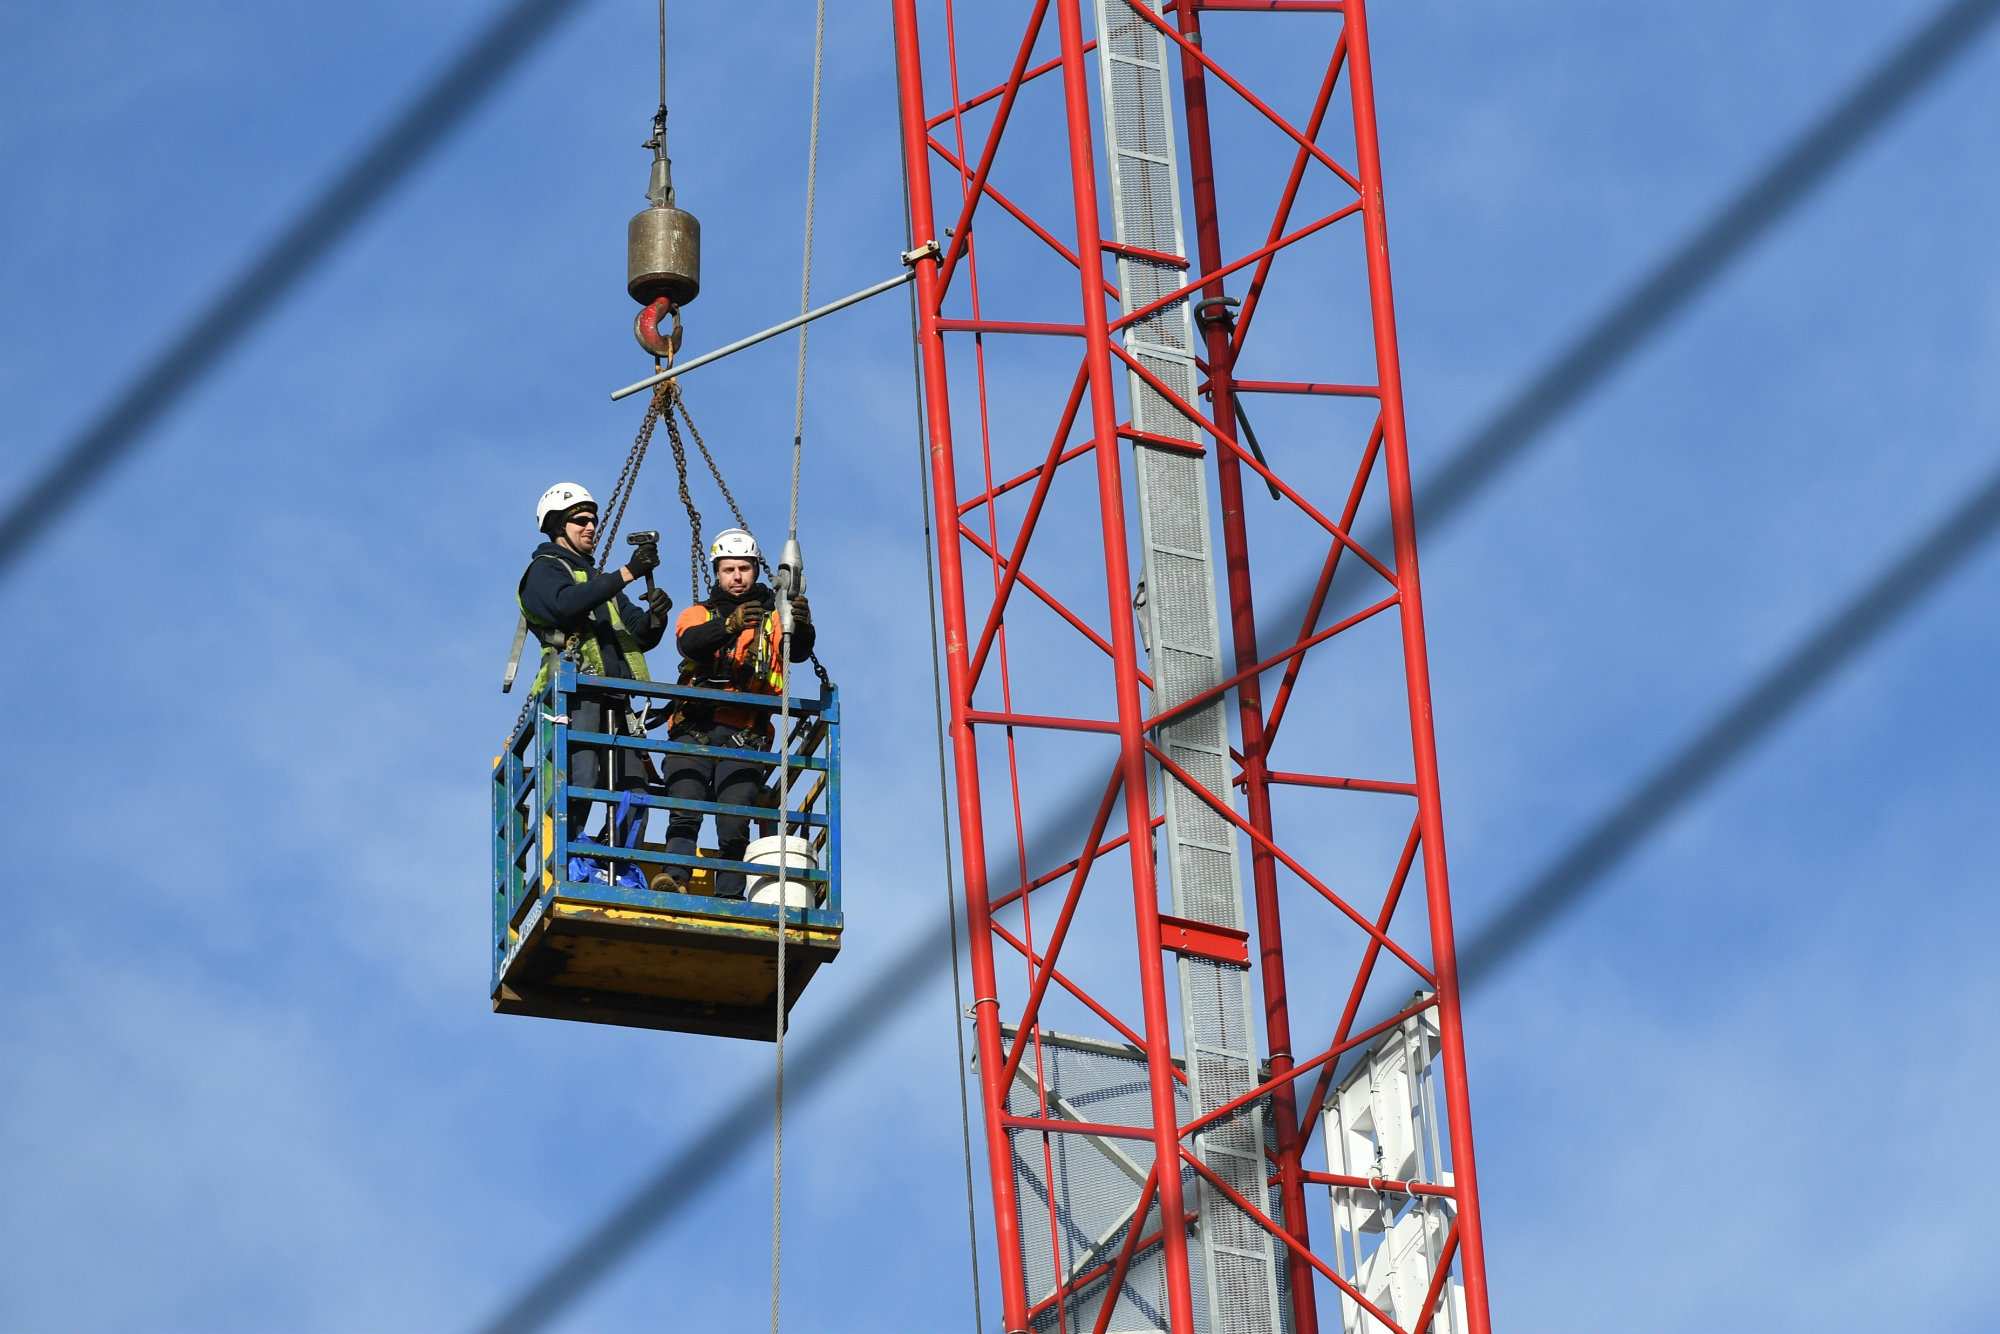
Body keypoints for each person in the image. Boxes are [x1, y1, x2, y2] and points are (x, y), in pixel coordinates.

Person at [518, 482, 672, 884]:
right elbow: (563, 604)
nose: (591, 527)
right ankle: (574, 861)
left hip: (615, 701)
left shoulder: (602, 582)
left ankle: (617, 863)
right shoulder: (544, 570)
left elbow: (637, 633)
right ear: (557, 526)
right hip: (577, 696)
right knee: (582, 777)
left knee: (634, 788)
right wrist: (626, 572)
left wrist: (655, 615)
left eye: (593, 521)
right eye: (580, 521)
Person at [656, 527, 815, 899]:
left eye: (744, 568)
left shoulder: (774, 619)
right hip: (694, 730)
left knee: (733, 822)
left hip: (745, 736)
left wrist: (802, 624)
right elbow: (690, 643)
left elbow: (798, 652)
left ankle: (728, 894)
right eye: (729, 570)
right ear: (717, 572)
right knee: (685, 806)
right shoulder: (699, 614)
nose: (738, 577)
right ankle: (674, 878)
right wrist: (728, 625)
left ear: (755, 571)